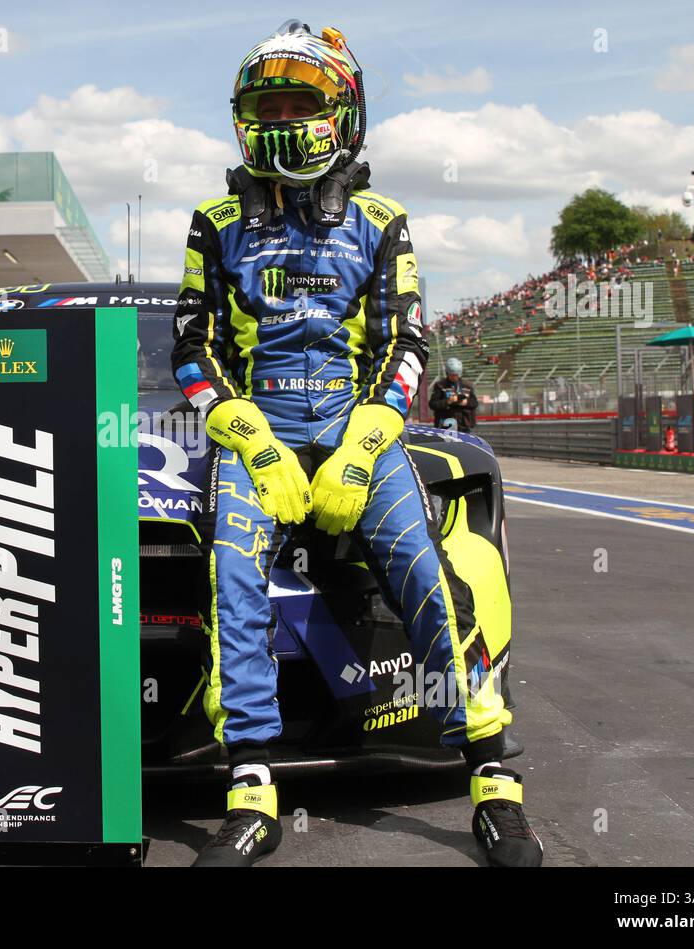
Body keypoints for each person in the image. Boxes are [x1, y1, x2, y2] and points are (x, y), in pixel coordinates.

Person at [171, 20, 541, 868]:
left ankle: (492, 780)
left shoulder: (380, 218)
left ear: (344, 110)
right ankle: (252, 789)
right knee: (231, 575)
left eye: (302, 100)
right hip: (258, 427)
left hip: (356, 430)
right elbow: (192, 346)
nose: (285, 116)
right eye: (270, 102)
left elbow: (407, 344)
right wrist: (251, 440)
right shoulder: (216, 220)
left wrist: (362, 442)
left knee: (425, 572)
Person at [429, 357, 478, 432]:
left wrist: (466, 402)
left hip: (464, 425)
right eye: (451, 375)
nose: (454, 377)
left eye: (456, 375)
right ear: (447, 373)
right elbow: (432, 404)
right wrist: (448, 401)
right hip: (446, 426)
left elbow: (475, 403)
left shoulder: (467, 386)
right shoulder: (440, 385)